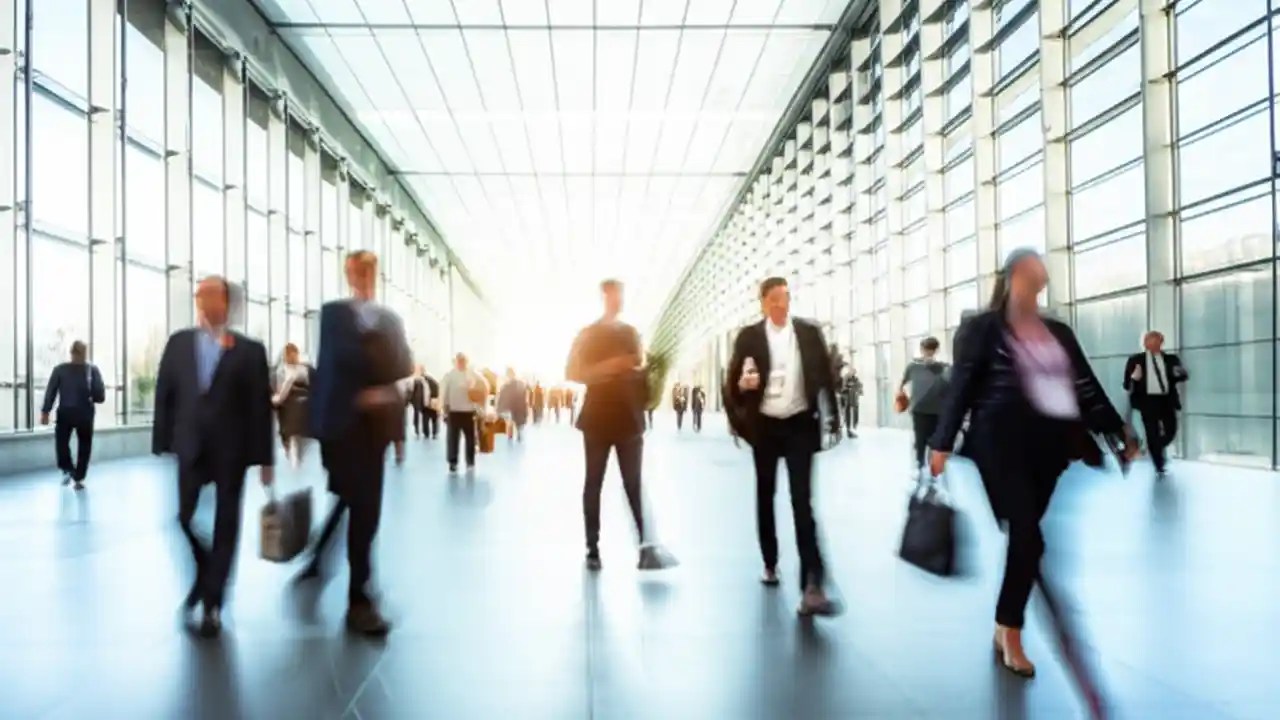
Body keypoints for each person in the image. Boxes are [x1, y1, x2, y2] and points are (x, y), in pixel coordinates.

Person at [928, 248, 1138, 678]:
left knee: (1027, 538)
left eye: (1037, 276)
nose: (1033, 282)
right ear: (1009, 279)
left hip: (1052, 447)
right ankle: (1013, 633)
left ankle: (1004, 622)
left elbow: (1085, 386)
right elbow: (962, 386)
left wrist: (1118, 434)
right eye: (1025, 274)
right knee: (1027, 535)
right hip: (1000, 446)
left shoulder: (1057, 331)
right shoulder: (981, 329)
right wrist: (941, 442)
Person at [152, 276, 274, 638]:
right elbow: (165, 393)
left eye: (209, 293)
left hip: (231, 451)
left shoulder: (249, 350)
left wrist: (266, 460)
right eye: (199, 294)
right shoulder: (178, 343)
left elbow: (259, 407)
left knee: (226, 523)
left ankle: (213, 603)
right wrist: (162, 440)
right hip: (190, 445)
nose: (201, 299)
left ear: (226, 302)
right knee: (184, 518)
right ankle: (208, 574)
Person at [306, 250, 411, 637]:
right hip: (342, 428)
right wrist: (367, 389)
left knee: (364, 511)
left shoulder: (390, 319)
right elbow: (334, 365)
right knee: (352, 500)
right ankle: (328, 563)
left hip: (372, 433)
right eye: (355, 270)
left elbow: (402, 364)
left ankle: (359, 598)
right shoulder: (334, 314)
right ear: (348, 273)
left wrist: (382, 393)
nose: (362, 276)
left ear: (374, 273)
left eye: (367, 270)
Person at [724, 276, 841, 617]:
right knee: (765, 494)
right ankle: (770, 562)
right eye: (773, 299)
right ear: (762, 303)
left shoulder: (807, 333)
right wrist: (742, 394)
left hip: (800, 424)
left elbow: (825, 378)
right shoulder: (749, 337)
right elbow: (731, 383)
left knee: (802, 501)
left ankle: (812, 584)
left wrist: (832, 416)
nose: (780, 305)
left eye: (785, 298)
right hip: (765, 427)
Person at [567, 279, 675, 571]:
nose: (618, 300)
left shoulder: (629, 332)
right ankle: (592, 548)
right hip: (599, 419)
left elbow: (638, 363)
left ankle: (646, 547)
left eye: (621, 295)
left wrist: (640, 368)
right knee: (594, 482)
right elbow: (574, 372)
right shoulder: (588, 334)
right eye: (613, 295)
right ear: (603, 296)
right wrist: (612, 366)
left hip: (628, 419)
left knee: (634, 484)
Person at [41, 340, 105, 489]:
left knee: (62, 443)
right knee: (83, 445)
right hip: (84, 413)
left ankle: (69, 469)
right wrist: (45, 410)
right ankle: (77, 476)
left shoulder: (60, 370)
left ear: (71, 353)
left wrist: (46, 411)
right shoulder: (91, 370)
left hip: (67, 412)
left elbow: (51, 391)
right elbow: (100, 396)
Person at [1123, 331, 1188, 477]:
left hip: (1166, 400)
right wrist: (1134, 378)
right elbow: (1127, 384)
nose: (1153, 344)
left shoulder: (1171, 359)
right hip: (1147, 402)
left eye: (1157, 341)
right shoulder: (1135, 360)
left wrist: (1179, 373)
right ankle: (1159, 465)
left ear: (1161, 343)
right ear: (1145, 343)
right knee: (1152, 433)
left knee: (1171, 430)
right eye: (1150, 341)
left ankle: (1155, 447)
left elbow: (1184, 375)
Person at [898, 337, 949, 474]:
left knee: (934, 442)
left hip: (937, 410)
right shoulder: (913, 367)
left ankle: (931, 471)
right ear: (921, 350)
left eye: (931, 350)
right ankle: (920, 468)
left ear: (936, 350)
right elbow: (902, 384)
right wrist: (904, 398)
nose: (928, 353)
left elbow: (950, 387)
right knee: (920, 441)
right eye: (926, 350)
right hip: (919, 410)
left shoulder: (943, 367)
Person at [440, 353, 488, 472]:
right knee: (453, 438)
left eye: (463, 361)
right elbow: (444, 392)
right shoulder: (450, 376)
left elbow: (484, 387)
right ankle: (453, 462)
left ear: (466, 362)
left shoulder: (474, 375)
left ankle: (470, 462)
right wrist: (444, 408)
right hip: (454, 411)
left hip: (469, 412)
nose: (461, 363)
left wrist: (481, 406)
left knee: (470, 438)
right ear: (456, 362)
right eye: (459, 361)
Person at [272, 343, 311, 469]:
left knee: (292, 438)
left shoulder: (292, 370)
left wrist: (277, 399)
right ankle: (295, 464)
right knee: (294, 439)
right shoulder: (299, 369)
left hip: (292, 406)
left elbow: (281, 391)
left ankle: (295, 465)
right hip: (295, 406)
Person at [497, 368, 529, 442]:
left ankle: (511, 435)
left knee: (512, 422)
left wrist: (499, 408)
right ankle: (516, 435)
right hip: (517, 407)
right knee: (517, 423)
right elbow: (525, 396)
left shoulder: (506, 385)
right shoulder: (520, 384)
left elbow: (502, 397)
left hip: (511, 406)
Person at [840, 366, 862, 439]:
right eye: (852, 372)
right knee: (847, 414)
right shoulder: (846, 377)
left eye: (854, 372)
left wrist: (858, 389)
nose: (853, 373)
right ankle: (848, 430)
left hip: (853, 399)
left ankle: (854, 425)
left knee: (855, 410)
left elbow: (859, 386)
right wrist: (850, 387)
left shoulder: (855, 378)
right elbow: (844, 388)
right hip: (847, 399)